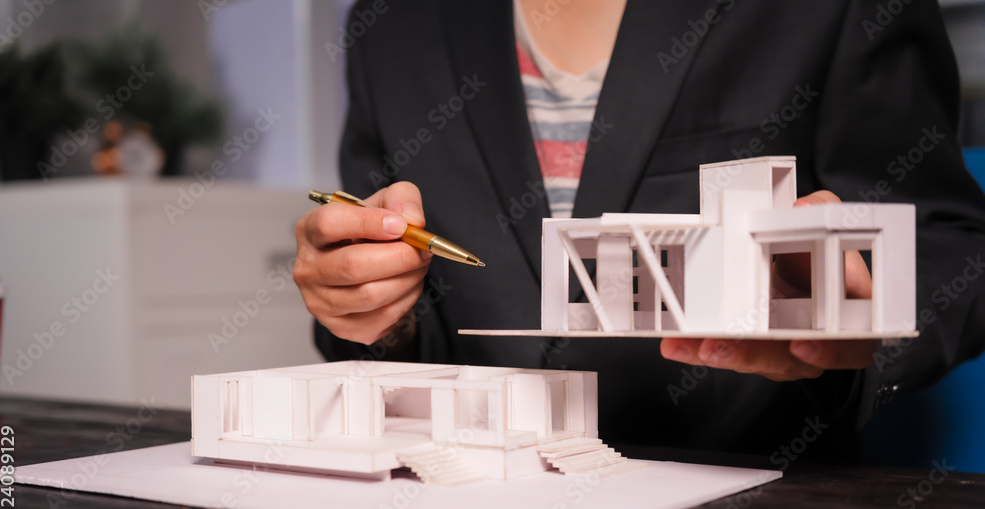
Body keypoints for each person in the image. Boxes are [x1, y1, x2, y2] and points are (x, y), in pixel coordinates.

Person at [293, 0, 985, 462]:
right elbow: (391, 296)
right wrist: (370, 307)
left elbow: (949, 244)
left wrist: (861, 303)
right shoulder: (388, 24)